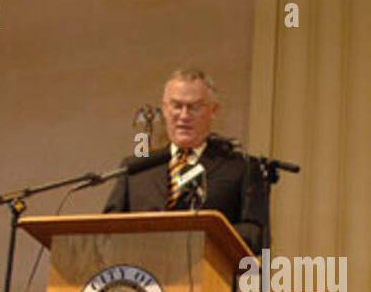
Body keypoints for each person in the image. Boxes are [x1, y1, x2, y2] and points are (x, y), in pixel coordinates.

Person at [102, 68, 269, 253]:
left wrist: (202, 232)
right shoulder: (136, 169)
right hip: (144, 275)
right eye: (176, 106)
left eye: (194, 107)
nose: (184, 116)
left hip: (210, 275)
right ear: (164, 110)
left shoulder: (240, 168)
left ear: (213, 111)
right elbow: (106, 234)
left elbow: (258, 236)